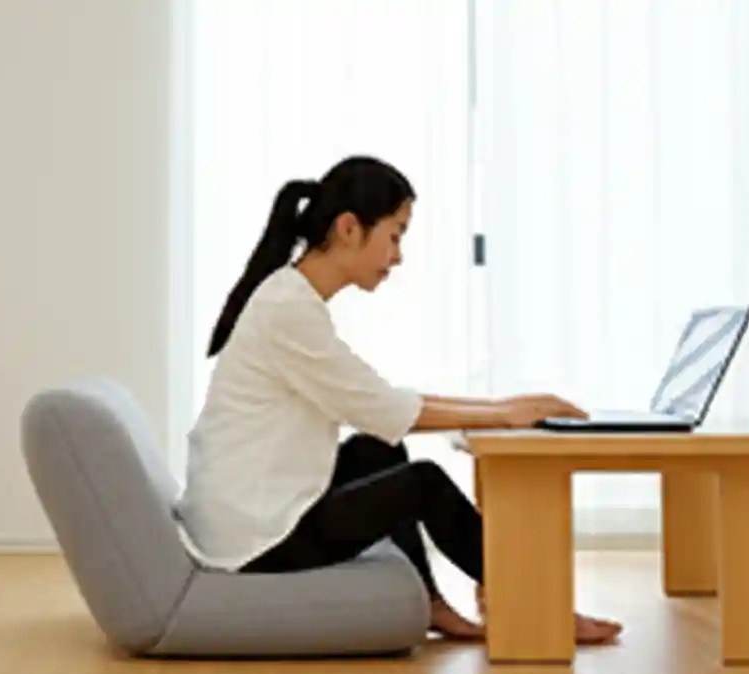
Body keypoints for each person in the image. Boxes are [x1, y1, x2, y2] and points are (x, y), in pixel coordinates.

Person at [175, 156, 622, 643]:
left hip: (252, 513)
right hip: (255, 539)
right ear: (349, 229)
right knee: (422, 483)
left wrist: (504, 408)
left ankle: (430, 604)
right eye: (395, 235)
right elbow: (385, 407)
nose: (398, 255)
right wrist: (508, 413)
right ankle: (539, 608)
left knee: (377, 450)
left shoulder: (292, 299)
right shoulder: (288, 310)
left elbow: (380, 407)